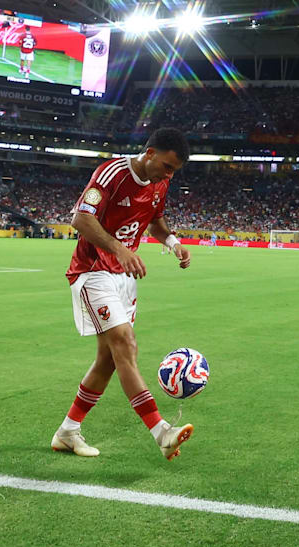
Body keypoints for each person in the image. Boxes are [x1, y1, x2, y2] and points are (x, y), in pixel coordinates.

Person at [52, 128, 194, 461]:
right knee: (125, 344)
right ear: (150, 154)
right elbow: (81, 218)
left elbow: (155, 220)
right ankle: (162, 432)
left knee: (108, 360)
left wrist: (173, 244)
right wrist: (119, 249)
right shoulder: (112, 173)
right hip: (92, 271)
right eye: (167, 166)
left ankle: (67, 432)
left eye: (174, 171)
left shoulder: (161, 181)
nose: (169, 175)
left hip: (123, 277)